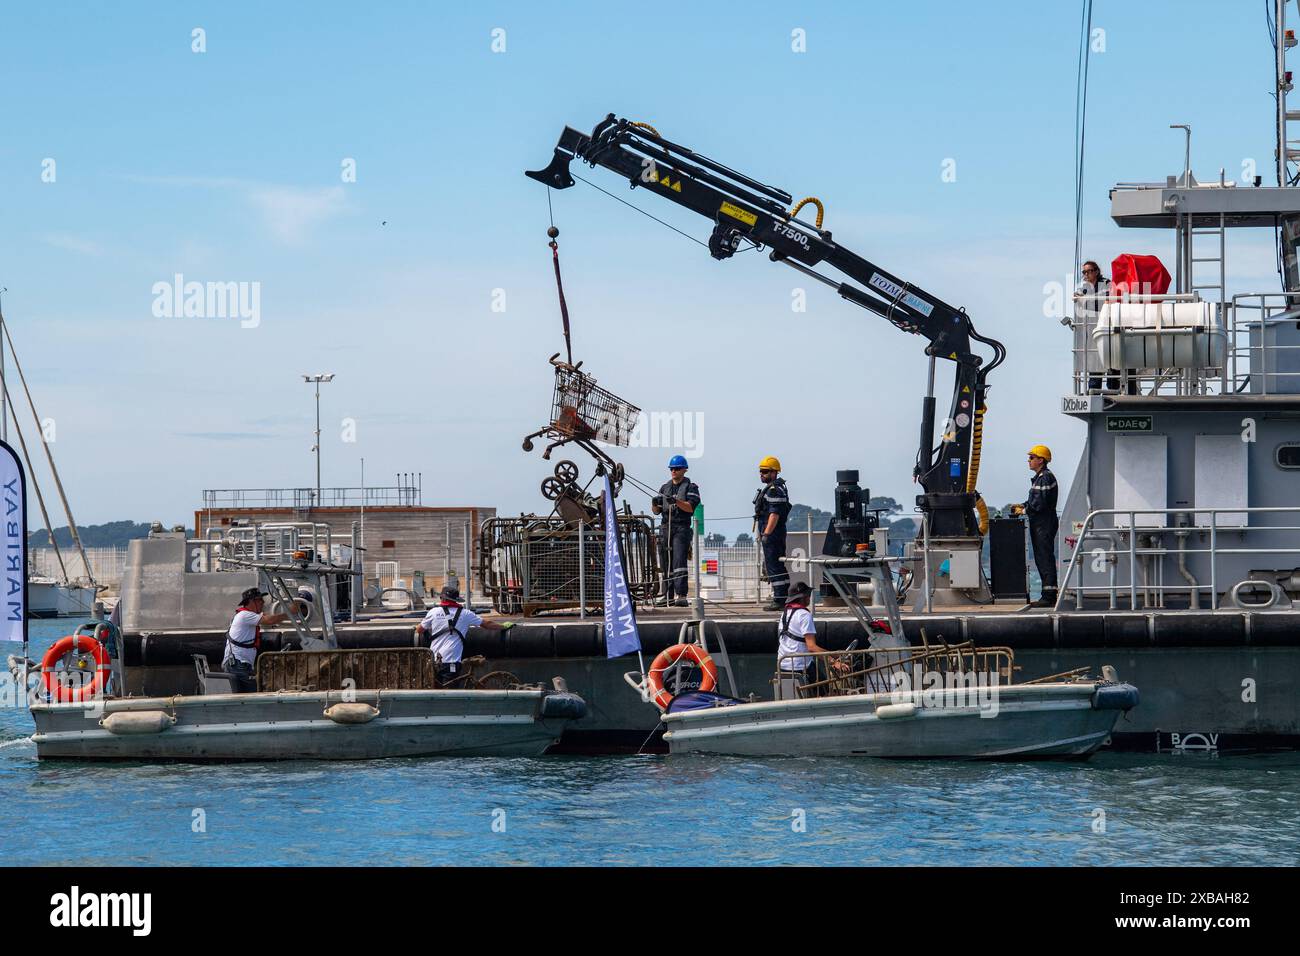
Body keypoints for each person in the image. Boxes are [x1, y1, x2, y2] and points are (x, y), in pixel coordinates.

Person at [414, 585, 515, 684]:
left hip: (434, 661)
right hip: (452, 661)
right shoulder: (466, 614)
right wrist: (503, 626)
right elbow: (487, 624)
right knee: (450, 695)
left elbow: (419, 630)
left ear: (442, 598)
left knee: (434, 691)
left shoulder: (433, 612)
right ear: (456, 600)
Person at [1011, 445, 1059, 608]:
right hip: (1041, 522)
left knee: (1044, 558)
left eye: (1032, 458)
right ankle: (1049, 594)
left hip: (1043, 523)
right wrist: (1022, 505)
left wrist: (1024, 509)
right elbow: (1035, 501)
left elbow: (1040, 504)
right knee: (1042, 557)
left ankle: (1049, 596)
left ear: (1041, 460)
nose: (1029, 460)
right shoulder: (1041, 477)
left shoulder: (1045, 477)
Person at [223, 587, 296, 693]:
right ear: (252, 602)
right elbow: (270, 620)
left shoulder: (247, 615)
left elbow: (269, 616)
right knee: (254, 693)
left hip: (239, 664)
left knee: (247, 694)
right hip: (238, 664)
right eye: (260, 600)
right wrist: (290, 612)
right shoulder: (245, 615)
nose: (263, 602)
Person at [652, 454, 701, 607]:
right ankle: (667, 595)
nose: (674, 471)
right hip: (665, 527)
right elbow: (656, 511)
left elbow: (690, 507)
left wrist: (677, 502)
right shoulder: (664, 488)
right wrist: (654, 503)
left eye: (677, 469)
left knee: (679, 561)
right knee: (665, 563)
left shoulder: (691, 487)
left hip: (681, 528)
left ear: (684, 470)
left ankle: (681, 595)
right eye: (672, 469)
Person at [776, 582, 842, 689]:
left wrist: (834, 654)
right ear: (803, 598)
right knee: (826, 692)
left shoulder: (785, 613)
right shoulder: (804, 615)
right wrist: (833, 662)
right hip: (801, 666)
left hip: (783, 665)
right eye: (808, 595)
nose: (809, 597)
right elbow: (811, 647)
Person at [1075, 260, 1119, 393]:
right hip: (1091, 328)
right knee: (1094, 360)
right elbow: (1078, 297)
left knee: (1111, 359)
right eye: (1084, 272)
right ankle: (1093, 390)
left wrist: (1087, 299)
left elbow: (1109, 297)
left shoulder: (1106, 283)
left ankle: (1114, 390)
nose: (1086, 274)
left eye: (1089, 271)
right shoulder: (1084, 287)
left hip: (1107, 328)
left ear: (1096, 271)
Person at [754, 455, 792, 611]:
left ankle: (779, 599)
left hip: (773, 534)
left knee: (774, 566)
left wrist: (767, 535)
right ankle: (783, 597)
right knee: (776, 565)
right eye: (760, 471)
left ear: (774, 472)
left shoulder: (774, 490)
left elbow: (774, 514)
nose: (761, 474)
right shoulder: (774, 489)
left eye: (765, 471)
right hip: (774, 533)